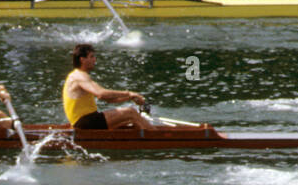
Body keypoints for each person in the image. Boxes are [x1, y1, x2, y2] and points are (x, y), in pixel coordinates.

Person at [63, 44, 200, 133]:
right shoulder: (79, 77)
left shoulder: (79, 76)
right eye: (92, 57)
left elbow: (110, 101)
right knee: (130, 112)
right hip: (85, 123)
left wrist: (131, 98)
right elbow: (101, 94)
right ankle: (159, 138)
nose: (95, 60)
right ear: (82, 59)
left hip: (87, 121)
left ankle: (142, 142)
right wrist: (129, 93)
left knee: (131, 120)